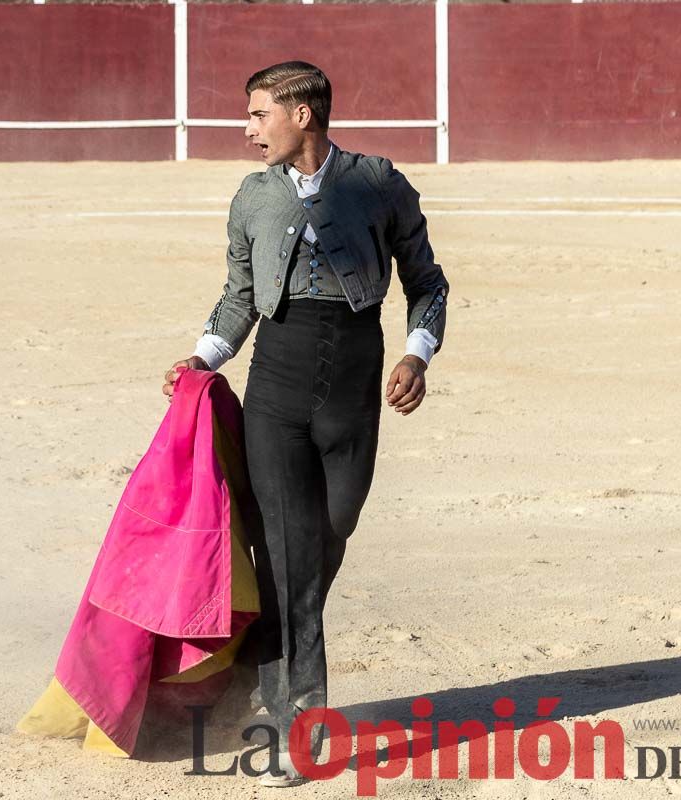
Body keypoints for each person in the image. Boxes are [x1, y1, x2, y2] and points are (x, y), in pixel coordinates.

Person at [161, 60, 450, 787]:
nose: (248, 129)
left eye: (258, 114)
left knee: (329, 537)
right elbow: (237, 299)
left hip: (355, 386)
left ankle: (263, 685)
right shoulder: (252, 196)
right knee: (290, 557)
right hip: (277, 389)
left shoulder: (377, 182)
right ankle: (297, 729)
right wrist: (200, 360)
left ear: (302, 115)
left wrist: (417, 356)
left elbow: (428, 284)